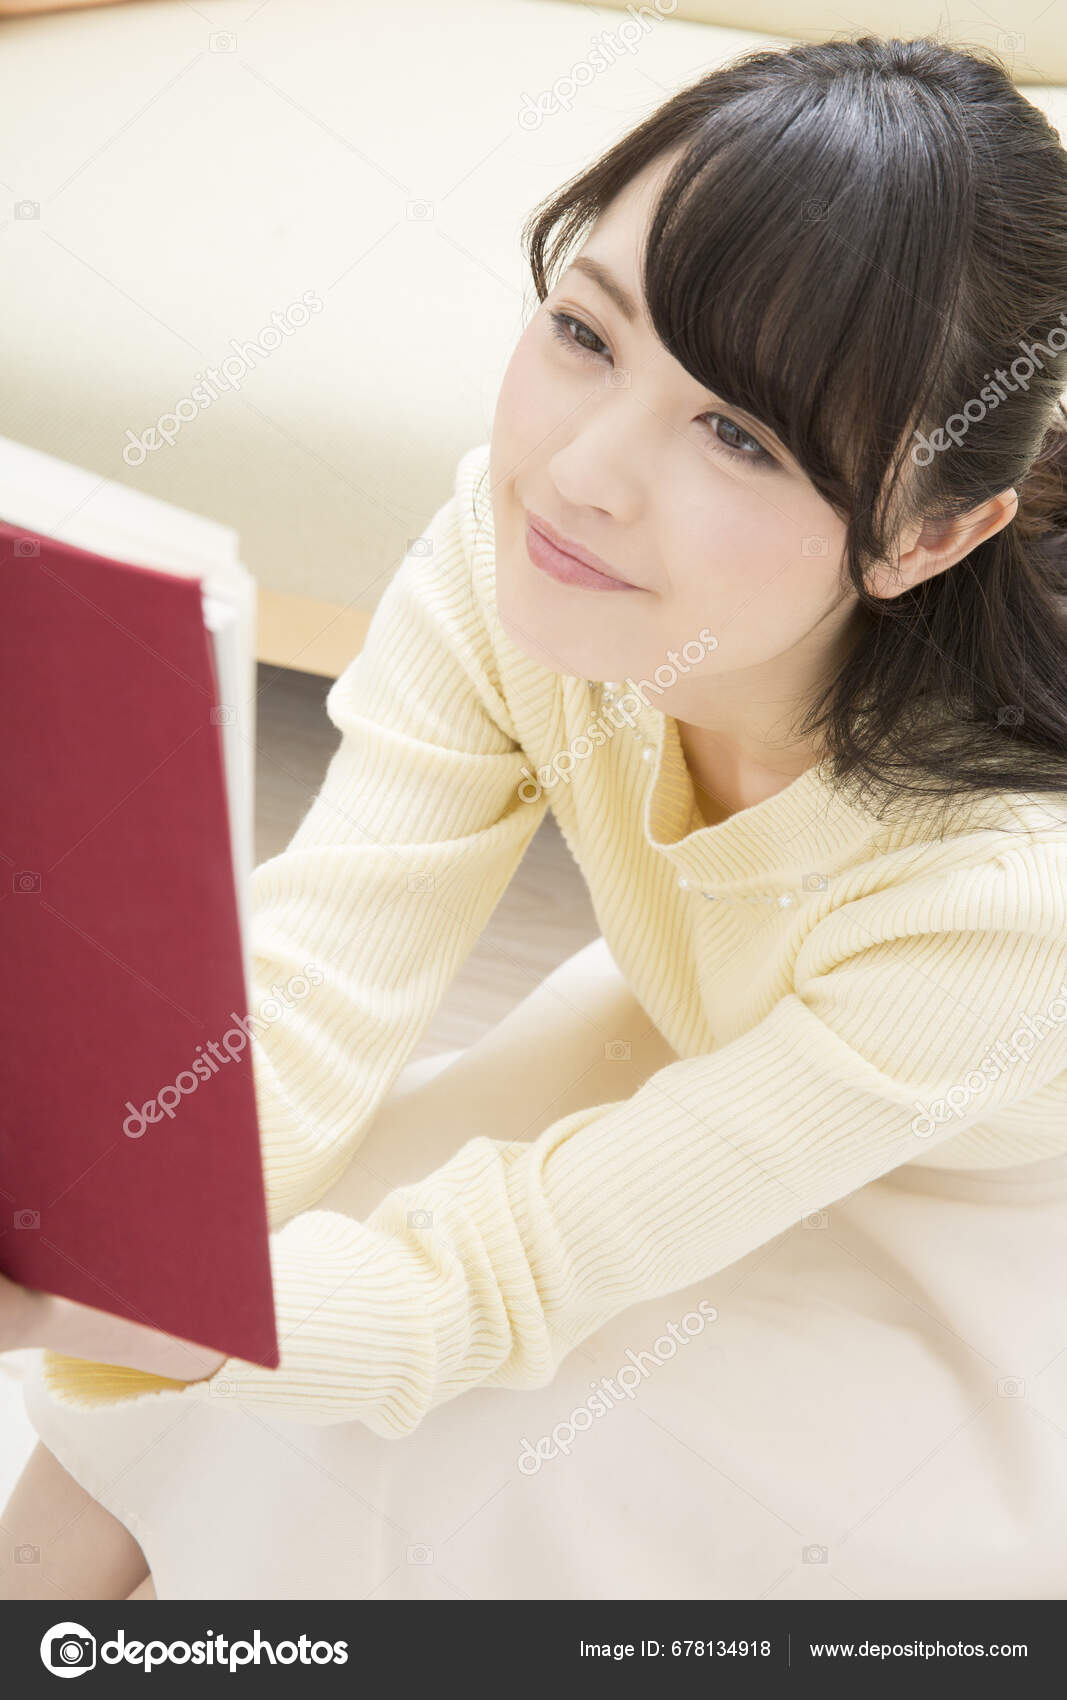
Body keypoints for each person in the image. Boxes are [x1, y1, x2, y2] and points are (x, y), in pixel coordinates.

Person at [4, 33, 1067, 1600]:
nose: (578, 473)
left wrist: (104, 1303)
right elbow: (303, 1007)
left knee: (458, 1457)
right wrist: (75, 1221)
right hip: (711, 1043)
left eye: (740, 435)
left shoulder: (1013, 894)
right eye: (585, 332)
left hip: (978, 1229)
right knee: (236, 1286)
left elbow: (508, 1274)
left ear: (931, 535)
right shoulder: (524, 556)